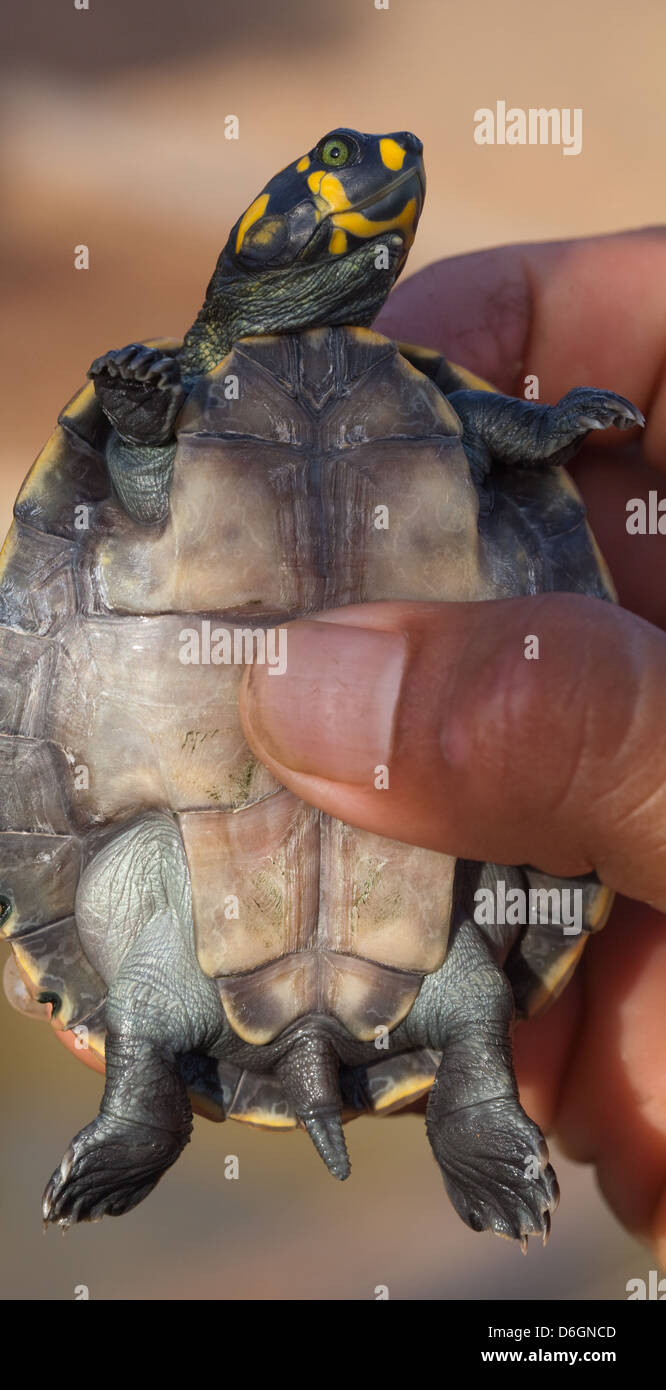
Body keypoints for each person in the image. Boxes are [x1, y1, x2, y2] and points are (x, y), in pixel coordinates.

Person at [239, 230, 666, 1261]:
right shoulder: (205, 392)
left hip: (419, 897)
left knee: (462, 980)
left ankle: (470, 1105)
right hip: (215, 809)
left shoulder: (409, 404)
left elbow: (465, 431)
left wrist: (545, 424)